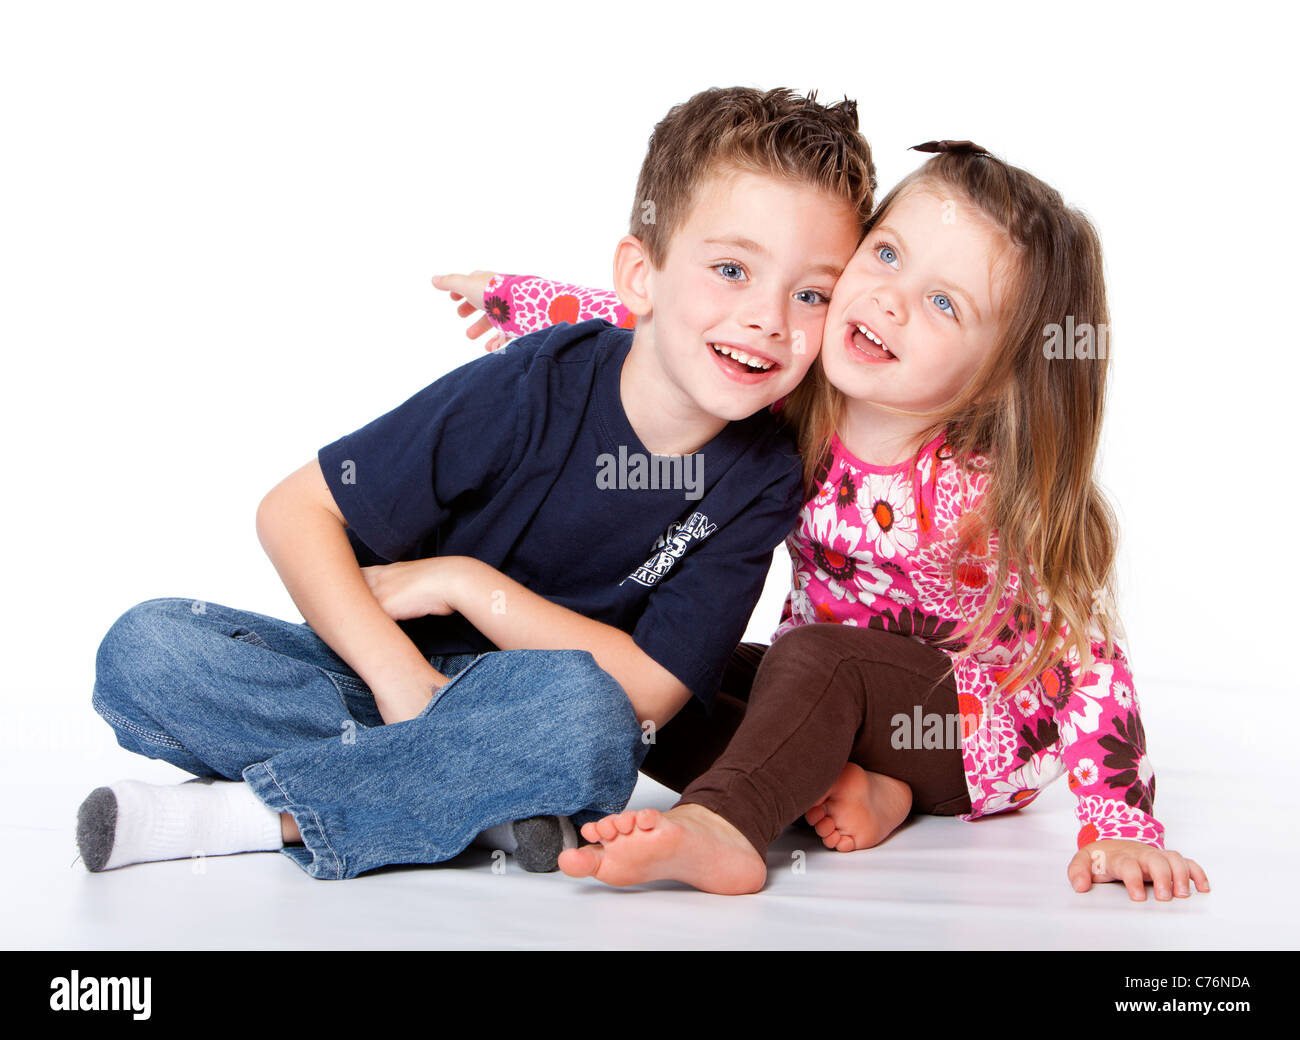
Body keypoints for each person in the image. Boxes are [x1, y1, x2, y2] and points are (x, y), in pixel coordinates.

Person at [74, 86, 873, 879]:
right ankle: (482, 805)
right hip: (372, 673)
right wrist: (400, 681)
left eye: (812, 294)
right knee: (147, 650)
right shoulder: (533, 384)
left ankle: (255, 817)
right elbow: (295, 511)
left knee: (593, 722)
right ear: (641, 275)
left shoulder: (762, 476)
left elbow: (651, 695)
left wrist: (462, 583)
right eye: (732, 268)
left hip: (540, 710)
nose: (770, 317)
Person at [444, 142, 1210, 900]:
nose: (889, 299)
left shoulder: (978, 493)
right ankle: (855, 789)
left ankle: (725, 828)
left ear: (996, 374)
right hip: (826, 694)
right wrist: (522, 300)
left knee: (819, 658)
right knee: (672, 679)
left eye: (944, 304)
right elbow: (675, 331)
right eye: (885, 255)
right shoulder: (797, 401)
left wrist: (1118, 821)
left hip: (969, 734)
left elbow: (1086, 653)